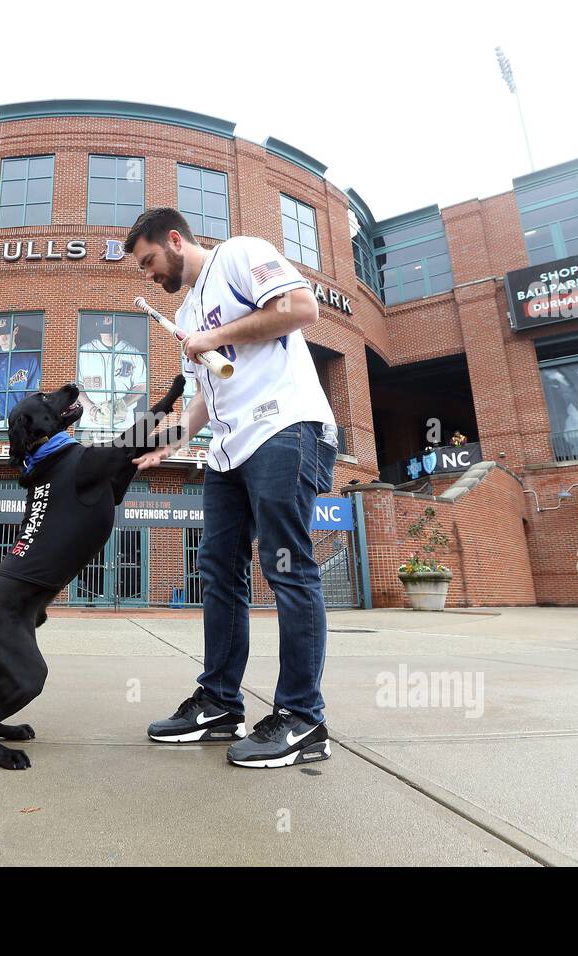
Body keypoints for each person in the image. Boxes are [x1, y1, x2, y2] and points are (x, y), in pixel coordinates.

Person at [125, 208, 338, 769]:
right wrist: (169, 442)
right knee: (218, 571)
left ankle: (302, 718)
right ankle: (220, 703)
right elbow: (203, 399)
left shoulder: (240, 253)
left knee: (288, 567)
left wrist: (212, 336)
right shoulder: (188, 312)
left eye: (149, 261)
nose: (149, 274)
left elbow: (300, 308)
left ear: (175, 240)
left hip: (283, 428)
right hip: (226, 450)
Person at [77, 314, 148, 432]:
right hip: (91, 424)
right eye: (105, 328)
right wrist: (90, 408)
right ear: (97, 327)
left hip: (124, 425)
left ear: (120, 326)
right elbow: (77, 386)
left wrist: (124, 403)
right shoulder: (84, 351)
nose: (109, 333)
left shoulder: (133, 352)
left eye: (112, 327)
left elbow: (142, 385)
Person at [0, 316, 41, 431]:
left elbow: (33, 395)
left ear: (15, 331)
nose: (3, 338)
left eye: (6, 332)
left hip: (15, 422)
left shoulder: (29, 358)